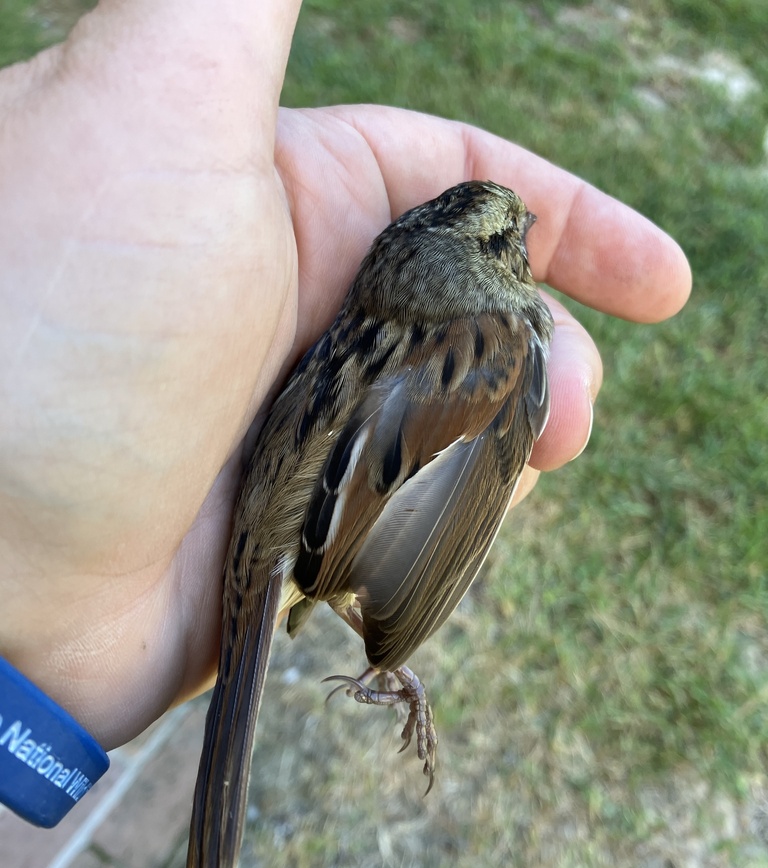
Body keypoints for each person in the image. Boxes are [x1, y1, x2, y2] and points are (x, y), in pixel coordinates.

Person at [0, 0, 691, 754]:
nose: (524, 231)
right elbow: (445, 501)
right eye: (507, 235)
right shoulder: (501, 346)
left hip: (276, 526)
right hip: (293, 535)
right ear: (486, 265)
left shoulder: (394, 318)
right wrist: (382, 638)